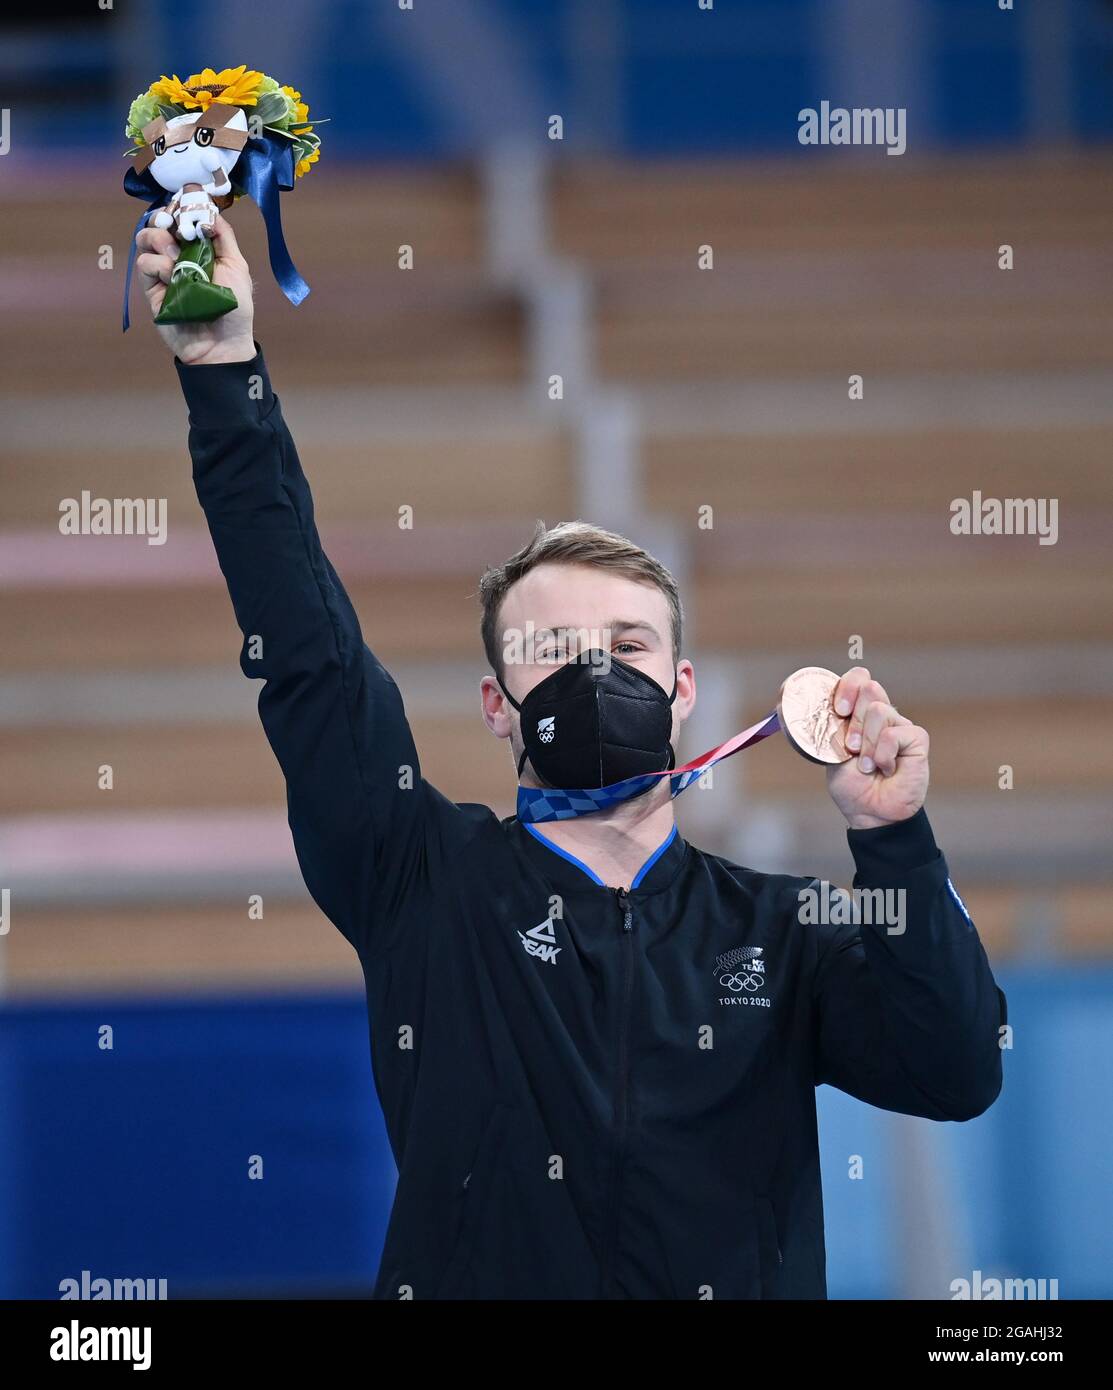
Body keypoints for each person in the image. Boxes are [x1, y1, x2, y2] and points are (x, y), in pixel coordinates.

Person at [135, 216, 1007, 1300]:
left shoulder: (785, 933)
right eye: (555, 651)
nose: (598, 674)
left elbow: (962, 1066)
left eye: (631, 647)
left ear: (685, 690)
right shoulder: (422, 881)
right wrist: (228, 377)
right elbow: (307, 651)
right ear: (499, 705)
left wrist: (896, 838)